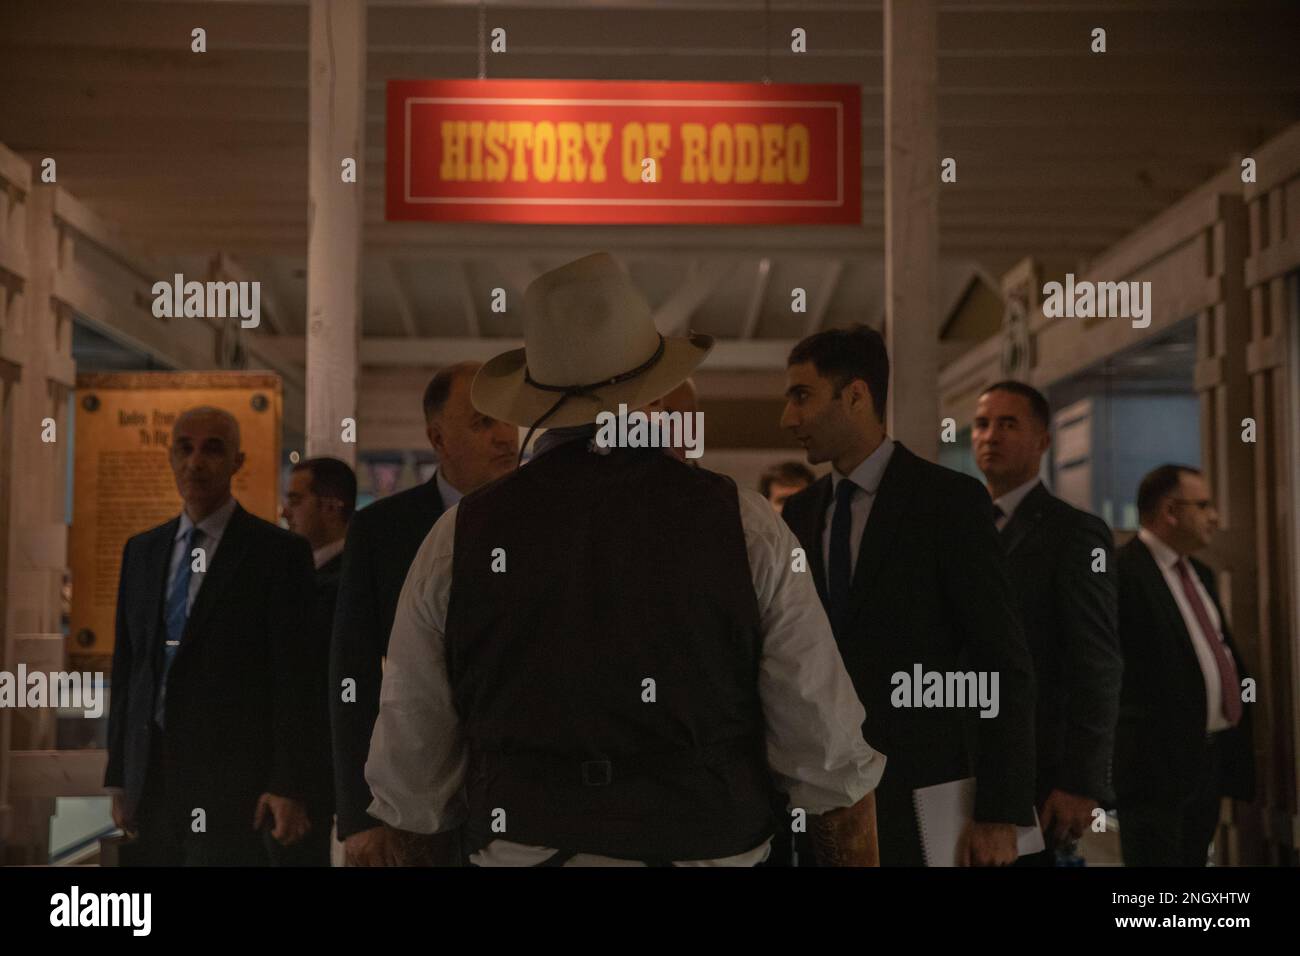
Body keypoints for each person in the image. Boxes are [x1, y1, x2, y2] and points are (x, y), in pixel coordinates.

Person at [365, 252, 884, 866]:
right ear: (654, 391)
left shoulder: (459, 536)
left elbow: (411, 768)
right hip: (708, 848)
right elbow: (827, 760)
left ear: (535, 400)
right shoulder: (744, 524)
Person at [779, 325, 1036, 866]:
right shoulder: (800, 513)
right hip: (824, 797)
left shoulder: (948, 502)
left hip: (926, 791)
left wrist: (999, 811)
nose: (789, 418)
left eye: (802, 396)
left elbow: (1002, 661)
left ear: (856, 395)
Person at [105, 406, 315, 865]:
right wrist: (120, 774)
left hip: (235, 780)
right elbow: (129, 667)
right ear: (170, 456)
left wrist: (287, 783)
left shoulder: (277, 555)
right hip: (151, 777)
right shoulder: (143, 551)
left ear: (237, 461)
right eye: (184, 448)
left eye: (212, 449)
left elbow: (296, 678)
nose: (195, 462)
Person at [330, 362, 518, 866]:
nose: (505, 436)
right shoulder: (381, 530)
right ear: (438, 439)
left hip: (521, 800)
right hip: (414, 804)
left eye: (508, 419)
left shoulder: (542, 520)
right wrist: (359, 816)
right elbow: (352, 672)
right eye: (483, 423)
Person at [972, 381, 1121, 863]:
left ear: (1043, 440)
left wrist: (1081, 781)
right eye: (982, 424)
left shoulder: (1074, 533)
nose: (990, 436)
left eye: (1007, 423)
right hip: (975, 763)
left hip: (1044, 766)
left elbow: (1097, 663)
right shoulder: (964, 526)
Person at [1115, 465, 1255, 866]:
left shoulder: (1201, 575)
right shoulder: (1122, 571)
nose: (1215, 517)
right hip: (1152, 770)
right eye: (1204, 505)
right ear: (1170, 511)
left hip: (1207, 761)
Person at [280, 455, 358, 865]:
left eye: (295, 499)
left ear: (331, 506)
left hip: (323, 766)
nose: (284, 510)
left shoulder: (350, 580)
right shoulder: (303, 575)